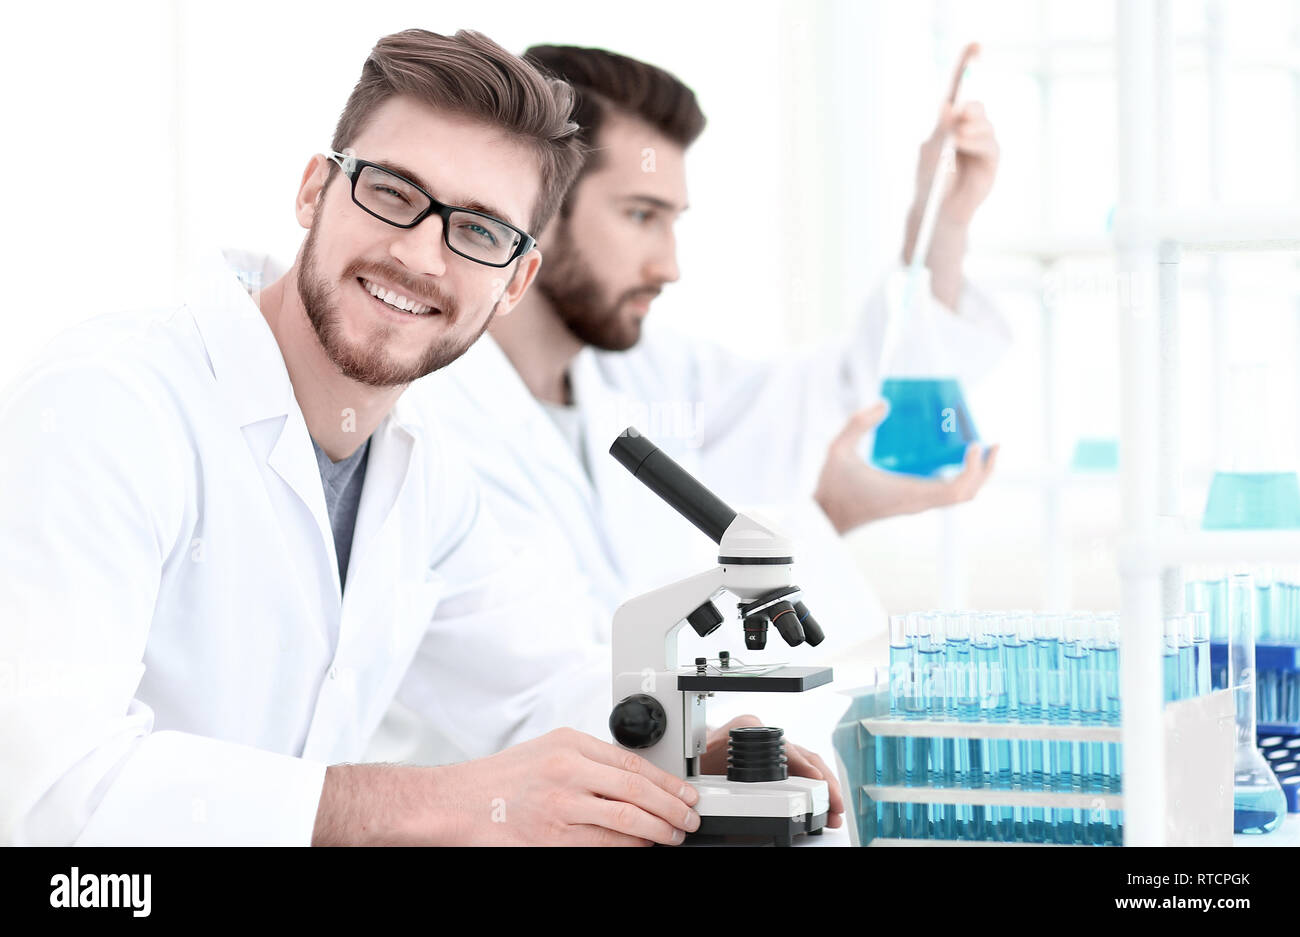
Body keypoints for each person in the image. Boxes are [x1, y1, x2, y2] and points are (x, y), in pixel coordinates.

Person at [0, 27, 840, 847]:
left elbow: (537, 687)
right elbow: (52, 792)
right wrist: (435, 804)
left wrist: (696, 751)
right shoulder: (107, 404)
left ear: (517, 281)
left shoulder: (426, 469)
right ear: (311, 191)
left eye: (478, 231)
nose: (420, 256)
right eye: (393, 193)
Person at [382, 44, 1008, 761]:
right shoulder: (428, 419)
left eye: (674, 220)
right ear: (538, 208)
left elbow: (850, 393)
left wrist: (939, 221)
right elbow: (565, 687)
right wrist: (828, 514)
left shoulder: (645, 371)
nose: (670, 265)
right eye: (642, 215)